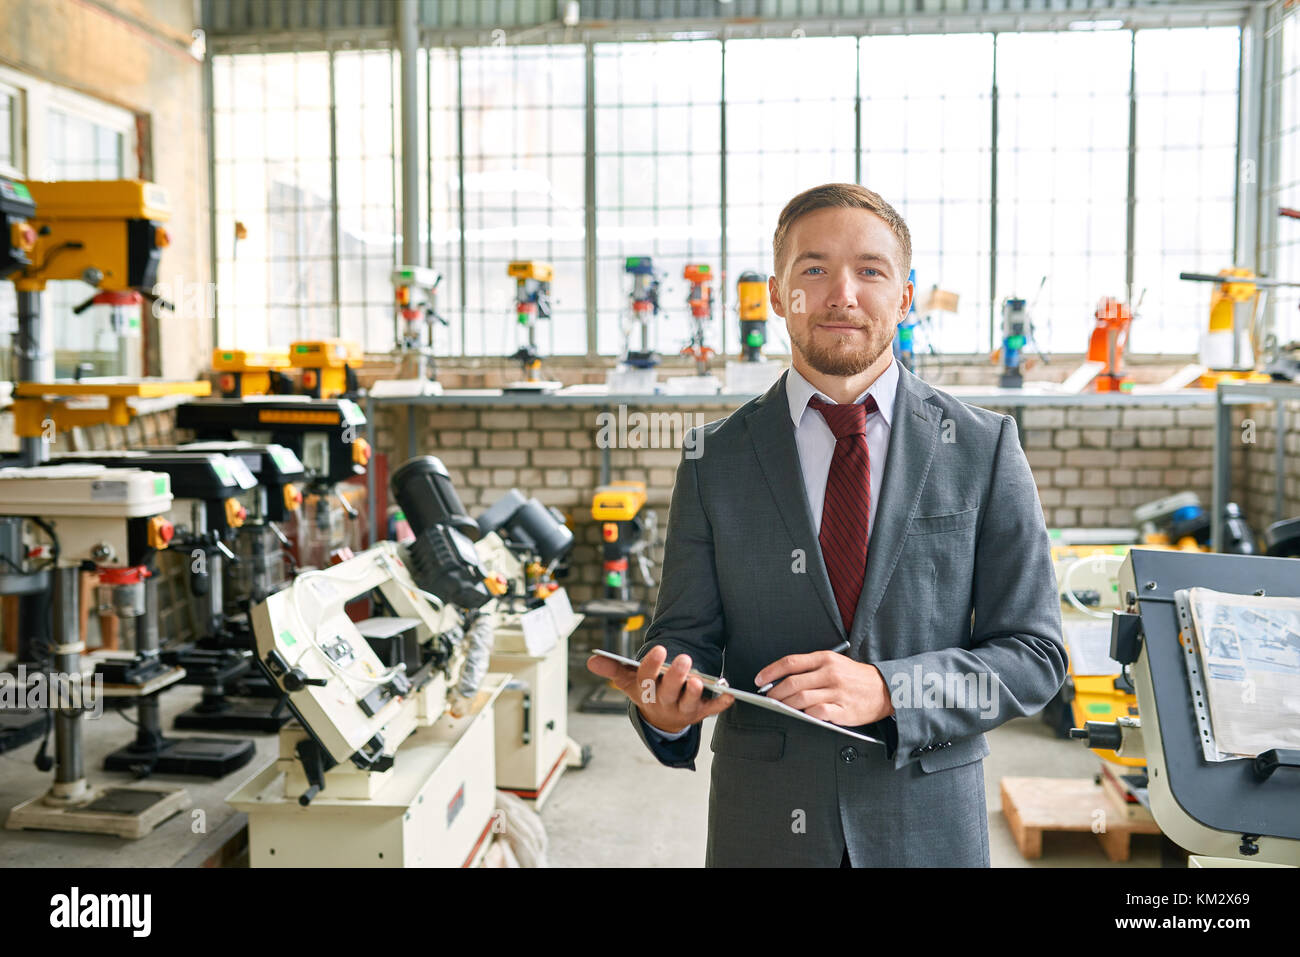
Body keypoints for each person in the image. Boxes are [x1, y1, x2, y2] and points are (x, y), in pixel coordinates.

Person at [587, 183, 1067, 867]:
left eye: (870, 270)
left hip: (925, 826)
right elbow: (683, 640)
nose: (842, 293)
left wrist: (888, 688)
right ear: (779, 296)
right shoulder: (713, 459)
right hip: (764, 826)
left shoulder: (984, 448)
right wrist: (664, 707)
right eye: (813, 269)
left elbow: (1034, 655)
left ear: (903, 296)